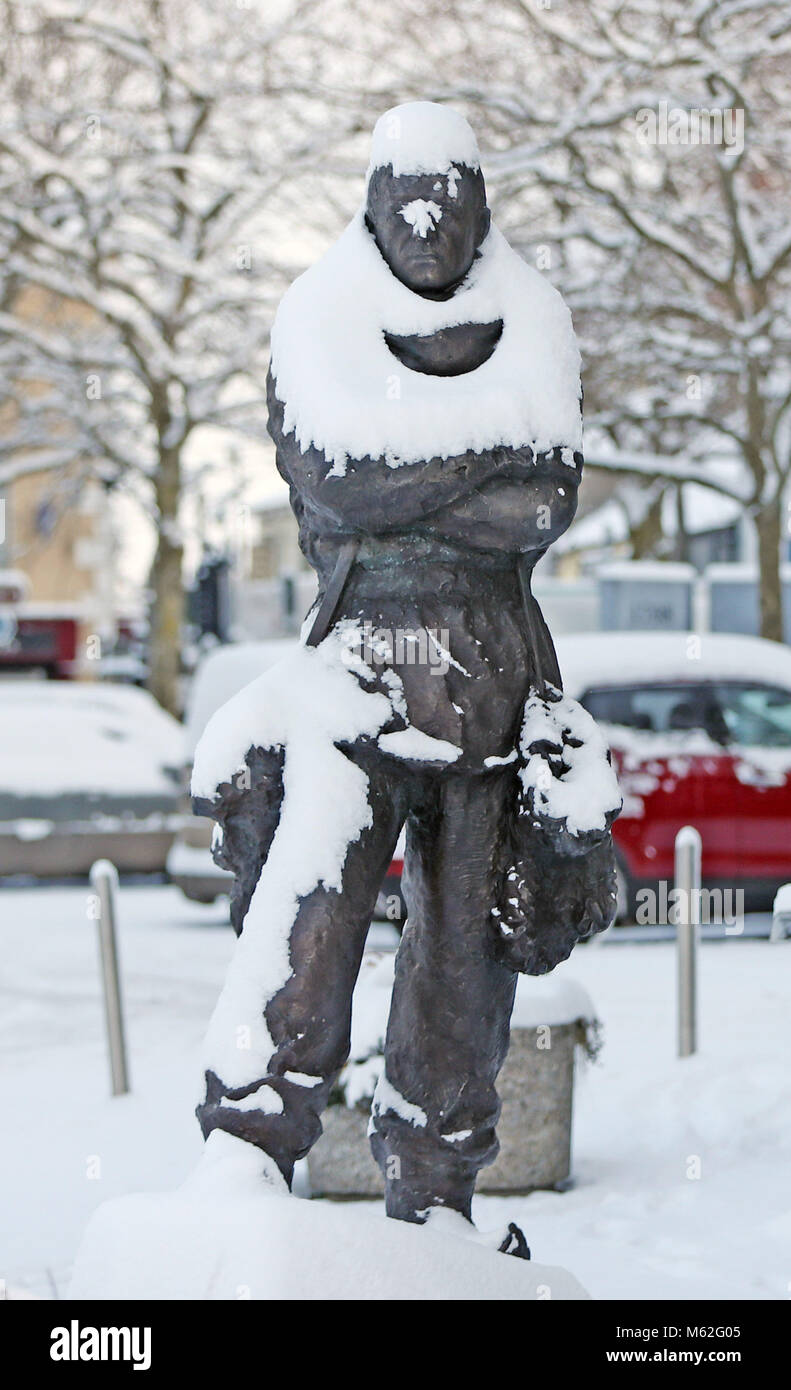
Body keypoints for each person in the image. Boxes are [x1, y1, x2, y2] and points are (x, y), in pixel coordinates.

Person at [195, 102, 614, 1251]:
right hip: (352, 690)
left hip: (489, 690)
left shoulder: (532, 316)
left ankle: (436, 1197)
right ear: (373, 207)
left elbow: (543, 500)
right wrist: (484, 455)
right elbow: (336, 478)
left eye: (449, 197)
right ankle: (245, 1158)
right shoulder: (316, 314)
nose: (428, 222)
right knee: (308, 929)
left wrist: (415, 468)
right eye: (406, 199)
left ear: (479, 202)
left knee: (461, 964)